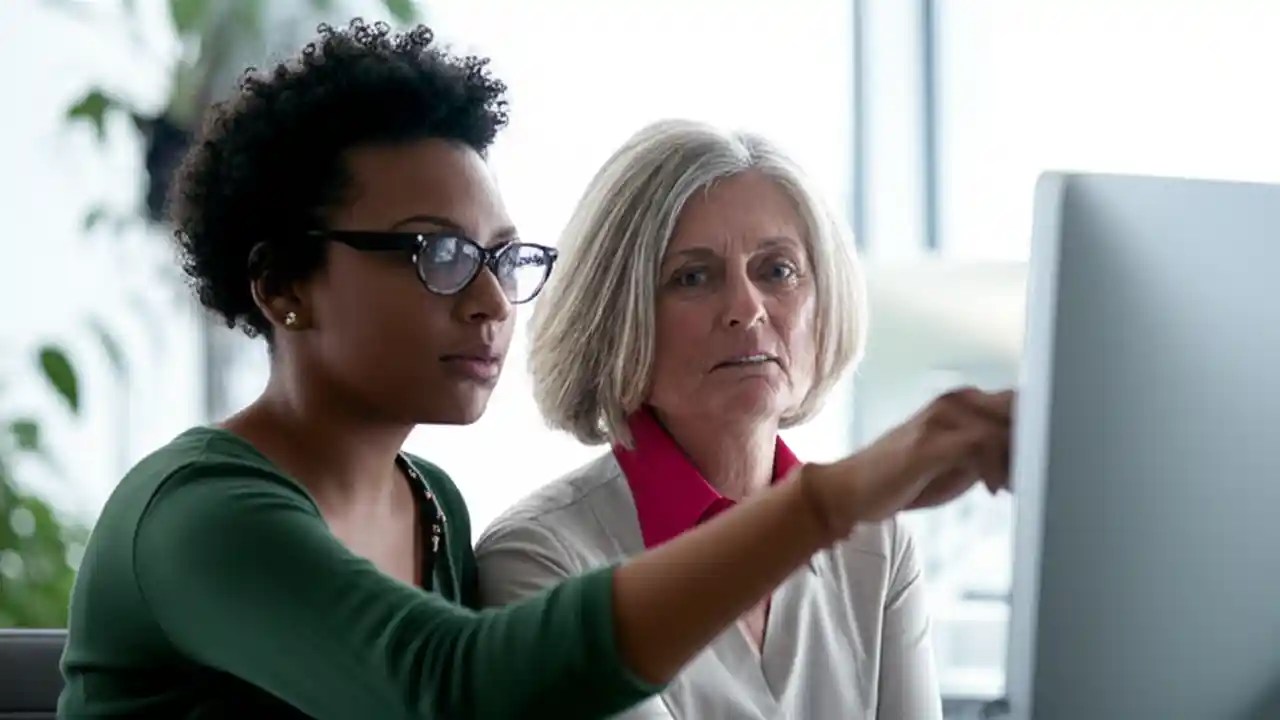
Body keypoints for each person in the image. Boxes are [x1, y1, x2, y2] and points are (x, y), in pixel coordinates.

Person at [58, 20, 1013, 720]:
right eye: (434, 253)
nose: (486, 302)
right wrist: (832, 502)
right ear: (280, 286)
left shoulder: (428, 503)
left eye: (500, 259)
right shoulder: (199, 517)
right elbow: (456, 685)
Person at [476, 120, 993, 719]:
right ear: (616, 315)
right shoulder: (539, 559)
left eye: (778, 271)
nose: (747, 310)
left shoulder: (875, 545)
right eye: (692, 277)